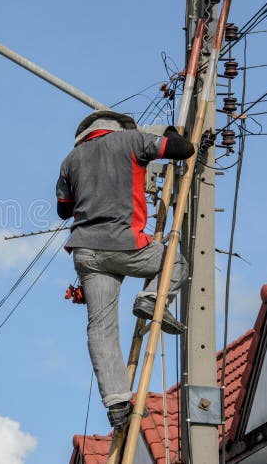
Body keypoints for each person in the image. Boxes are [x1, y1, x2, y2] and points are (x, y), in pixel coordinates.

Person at [55, 110, 195, 429]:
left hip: (86, 252)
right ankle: (149, 298)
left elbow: (64, 210)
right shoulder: (131, 141)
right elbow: (183, 149)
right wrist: (167, 132)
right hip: (126, 244)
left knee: (100, 327)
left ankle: (117, 403)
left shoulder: (70, 159)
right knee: (177, 260)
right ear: (118, 128)